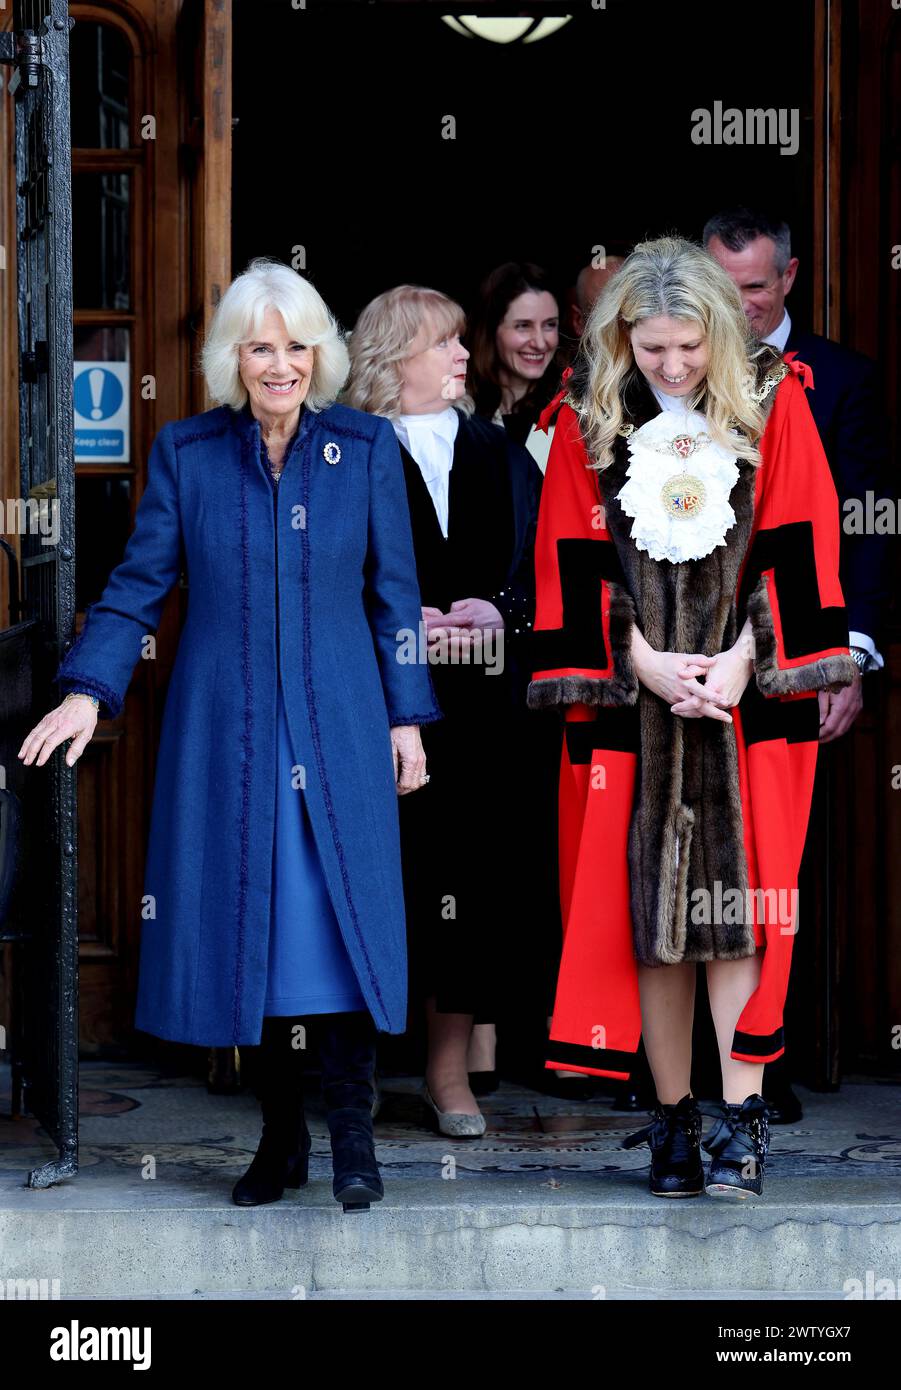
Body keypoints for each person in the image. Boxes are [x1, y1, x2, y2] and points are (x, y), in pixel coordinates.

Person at [18, 258, 442, 1212]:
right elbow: (139, 584)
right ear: (233, 358)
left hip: (338, 724)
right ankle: (279, 1136)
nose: (279, 364)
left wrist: (407, 719)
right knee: (253, 933)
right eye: (260, 346)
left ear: (320, 356)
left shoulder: (367, 449)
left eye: (296, 346)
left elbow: (394, 601)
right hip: (229, 731)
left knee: (338, 935)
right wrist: (90, 690)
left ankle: (353, 1138)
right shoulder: (188, 452)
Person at [528, 236, 855, 1198]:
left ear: (718, 326)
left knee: (743, 919)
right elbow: (566, 562)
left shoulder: (776, 398)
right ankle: (672, 1122)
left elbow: (801, 542)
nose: (670, 366)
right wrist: (643, 663)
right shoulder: (589, 414)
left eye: (687, 346)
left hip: (747, 706)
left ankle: (741, 1124)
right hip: (633, 707)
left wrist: (744, 661)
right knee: (650, 922)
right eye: (650, 345)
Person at [346, 285, 557, 1134]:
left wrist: (497, 614)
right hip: (371, 709)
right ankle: (351, 1069)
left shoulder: (501, 453)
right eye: (443, 344)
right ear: (393, 356)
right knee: (372, 884)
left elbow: (542, 570)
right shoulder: (344, 450)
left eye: (462, 343)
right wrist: (395, 628)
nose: (464, 357)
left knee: (469, 888)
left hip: (481, 717)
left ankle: (447, 1076)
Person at [703, 206, 893, 1121]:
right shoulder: (676, 366)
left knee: (781, 865)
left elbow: (863, 522)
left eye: (750, 288)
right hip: (692, 666)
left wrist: (847, 654)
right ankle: (690, 1074)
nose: (733, 309)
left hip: (796, 658)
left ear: (786, 280)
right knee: (694, 861)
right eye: (719, 287)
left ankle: (772, 1062)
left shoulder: (841, 377)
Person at [467, 261, 564, 473]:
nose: (539, 342)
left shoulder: (574, 409)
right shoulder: (460, 408)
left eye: (550, 325)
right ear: (491, 329)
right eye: (523, 326)